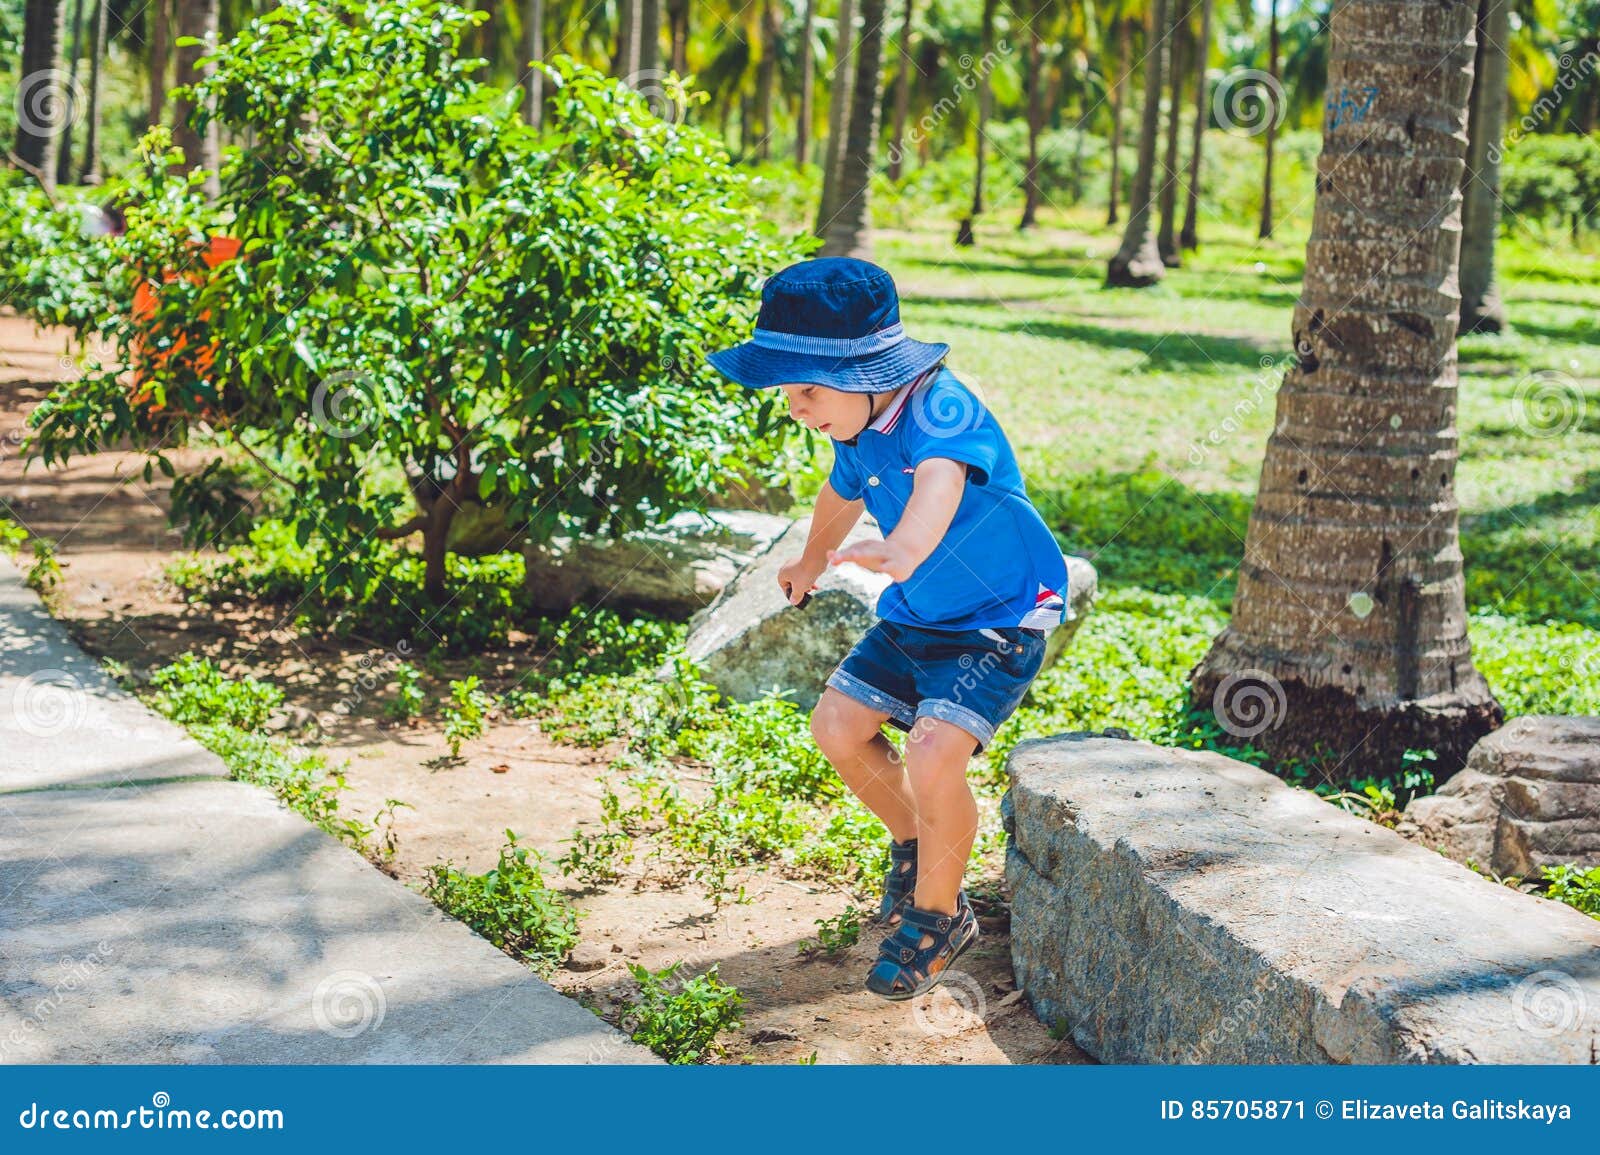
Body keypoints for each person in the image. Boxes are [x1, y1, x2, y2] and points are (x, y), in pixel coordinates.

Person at [707, 257, 1069, 1000]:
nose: (797, 408)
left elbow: (937, 487)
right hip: (920, 612)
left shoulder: (942, 412)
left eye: (808, 390)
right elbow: (840, 493)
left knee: (935, 749)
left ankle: (941, 916)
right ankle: (918, 844)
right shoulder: (857, 419)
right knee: (838, 724)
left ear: (870, 368)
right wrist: (810, 557)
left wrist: (901, 550)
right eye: (788, 395)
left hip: (998, 613)